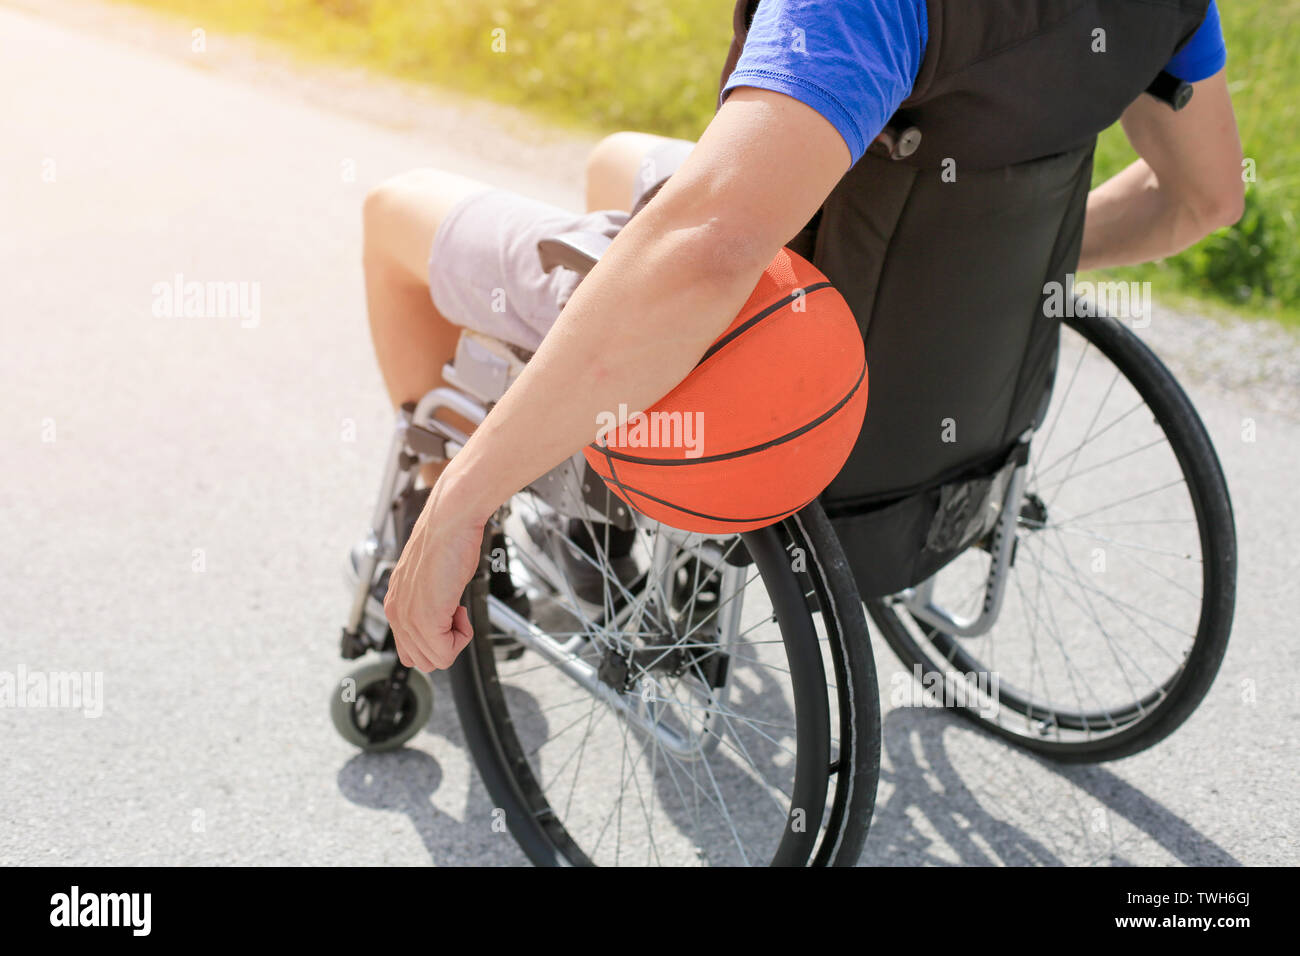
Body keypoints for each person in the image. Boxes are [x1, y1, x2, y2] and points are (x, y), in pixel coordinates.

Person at [364, 0, 1244, 673]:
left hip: (779, 384)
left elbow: (705, 257)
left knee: (391, 209)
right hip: (939, 413)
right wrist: (991, 264)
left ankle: (430, 504)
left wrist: (461, 509)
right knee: (619, 157)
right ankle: (598, 537)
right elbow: (1205, 201)